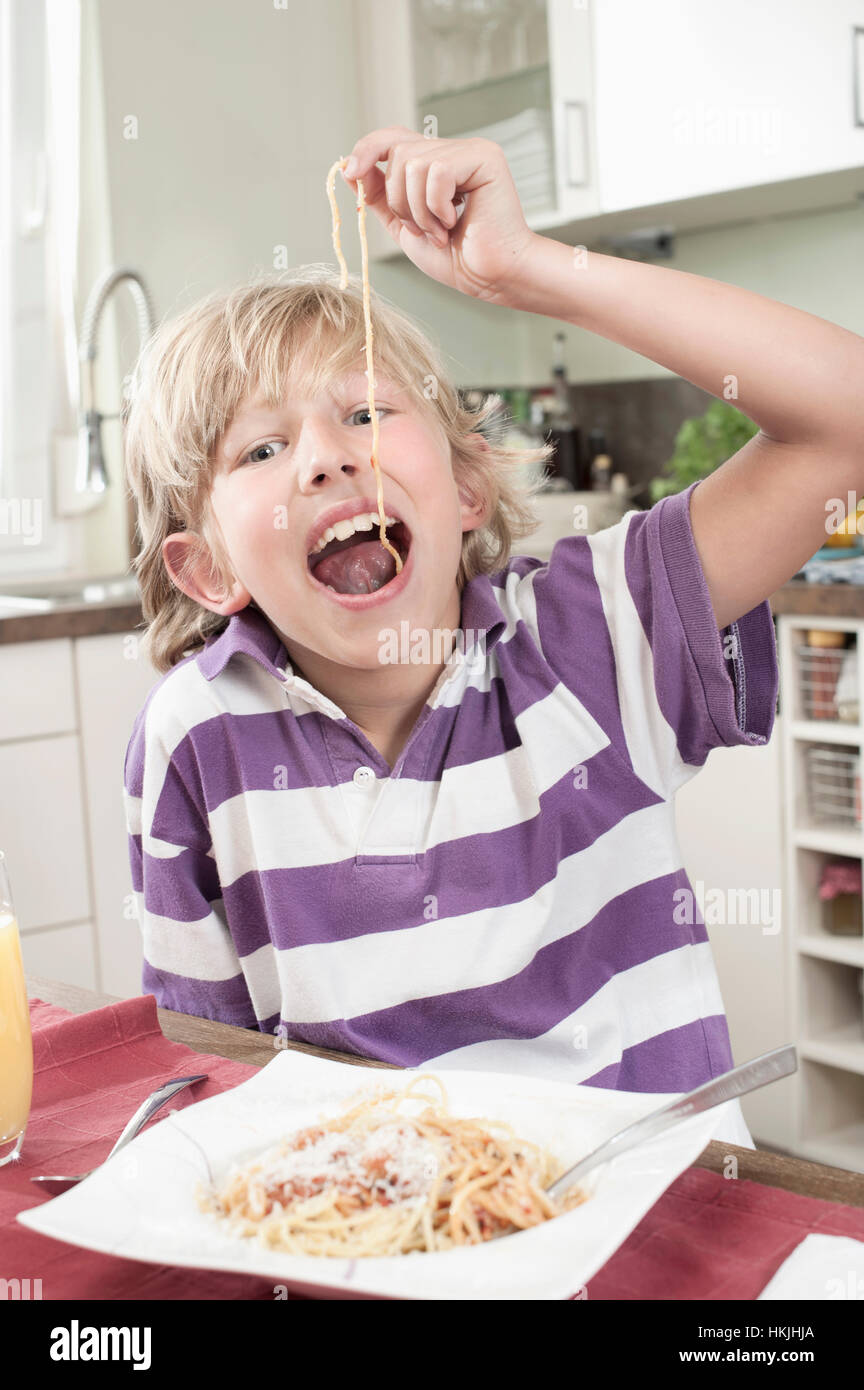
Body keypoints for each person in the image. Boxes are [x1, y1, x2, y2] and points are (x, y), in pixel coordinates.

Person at [123, 128, 864, 1147]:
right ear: (210, 570)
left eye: (366, 412)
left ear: (467, 487)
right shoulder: (197, 735)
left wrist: (532, 270)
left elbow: (850, 420)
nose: (329, 461)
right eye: (262, 446)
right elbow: (205, 1073)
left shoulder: (592, 635)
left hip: (653, 1243)